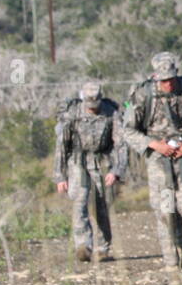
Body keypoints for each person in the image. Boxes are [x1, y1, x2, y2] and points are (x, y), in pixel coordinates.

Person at [122, 52, 182, 270]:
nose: (168, 84)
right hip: (157, 156)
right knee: (165, 209)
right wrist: (154, 145)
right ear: (156, 78)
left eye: (171, 79)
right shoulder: (143, 93)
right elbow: (128, 129)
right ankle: (171, 261)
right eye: (163, 81)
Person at [53, 81, 128, 263]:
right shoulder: (72, 113)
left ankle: (103, 247)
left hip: (102, 162)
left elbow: (120, 144)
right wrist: (60, 176)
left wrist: (117, 170)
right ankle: (83, 245)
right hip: (77, 162)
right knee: (80, 202)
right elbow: (61, 146)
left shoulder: (111, 112)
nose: (92, 108)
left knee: (101, 206)